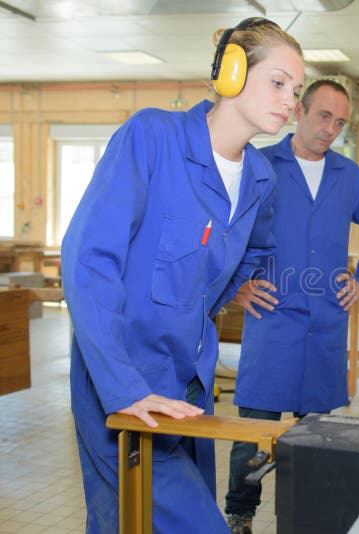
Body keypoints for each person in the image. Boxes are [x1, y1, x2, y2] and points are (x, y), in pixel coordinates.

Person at [60, 18, 304, 533]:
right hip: (123, 379)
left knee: (125, 522)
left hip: (189, 382)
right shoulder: (152, 137)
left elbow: (253, 249)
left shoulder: (261, 176)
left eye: (296, 90)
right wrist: (122, 386)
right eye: (278, 82)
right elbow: (88, 261)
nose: (290, 102)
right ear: (232, 73)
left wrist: (214, 296)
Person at [224, 79, 359, 529]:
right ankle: (239, 515)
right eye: (324, 116)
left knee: (318, 437)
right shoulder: (260, 165)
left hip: (325, 325)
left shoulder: (348, 176)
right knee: (253, 435)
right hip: (272, 320)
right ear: (299, 110)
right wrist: (237, 285)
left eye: (340, 122)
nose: (331, 129)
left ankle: (308, 517)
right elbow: (226, 228)